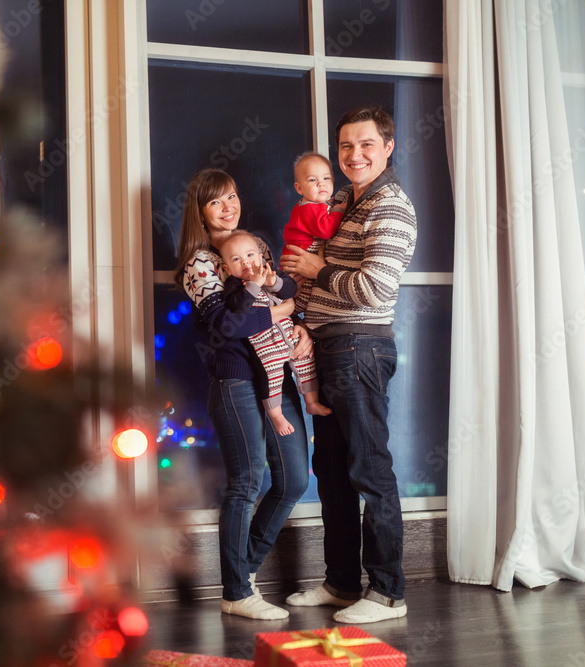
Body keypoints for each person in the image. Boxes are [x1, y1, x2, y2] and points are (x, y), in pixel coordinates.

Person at [280, 104, 417, 624]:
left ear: (387, 147)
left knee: (369, 468)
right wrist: (303, 320)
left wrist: (319, 265)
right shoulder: (341, 200)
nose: (353, 155)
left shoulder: (392, 208)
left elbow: (372, 287)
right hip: (326, 344)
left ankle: (387, 592)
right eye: (345, 147)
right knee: (331, 472)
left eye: (365, 145)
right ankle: (341, 582)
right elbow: (315, 277)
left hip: (361, 347)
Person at [173, 168, 311, 621]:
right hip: (233, 380)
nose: (228, 206)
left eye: (232, 196)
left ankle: (242, 572)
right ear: (200, 212)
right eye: (216, 201)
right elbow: (227, 326)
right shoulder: (200, 263)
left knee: (292, 479)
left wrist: (288, 302)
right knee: (247, 480)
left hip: (276, 376)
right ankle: (236, 589)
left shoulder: (256, 247)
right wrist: (284, 311)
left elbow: (289, 290)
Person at [217, 231, 331, 436]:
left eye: (250, 255)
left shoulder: (271, 274)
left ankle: (311, 402)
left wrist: (272, 283)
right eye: (236, 259)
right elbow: (239, 308)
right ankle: (277, 416)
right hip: (265, 345)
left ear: (260, 257)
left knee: (306, 363)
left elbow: (289, 290)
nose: (246, 262)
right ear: (227, 268)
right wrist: (255, 284)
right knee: (272, 377)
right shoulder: (234, 287)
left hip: (289, 335)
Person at [281, 152, 347, 316]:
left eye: (326, 178)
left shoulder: (315, 205)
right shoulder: (309, 207)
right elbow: (325, 230)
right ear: (299, 188)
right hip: (298, 262)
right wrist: (338, 210)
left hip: (302, 258)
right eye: (312, 180)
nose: (321, 184)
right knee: (298, 299)